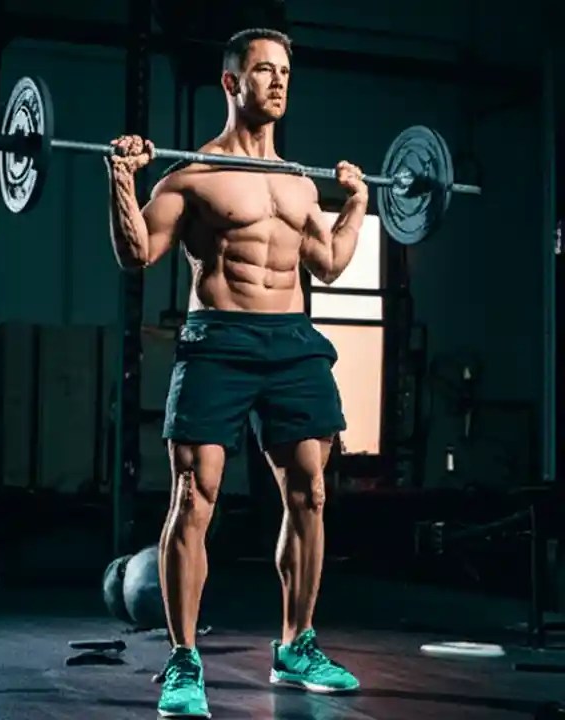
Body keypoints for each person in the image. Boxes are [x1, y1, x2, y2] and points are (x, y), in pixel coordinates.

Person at [106, 28, 364, 717]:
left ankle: (296, 645)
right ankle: (184, 662)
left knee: (309, 493)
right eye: (263, 71)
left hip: (294, 342)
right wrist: (121, 181)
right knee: (195, 495)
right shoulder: (190, 175)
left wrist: (360, 206)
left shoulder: (298, 181)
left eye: (284, 72)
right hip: (217, 338)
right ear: (231, 83)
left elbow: (329, 265)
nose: (277, 82)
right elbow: (139, 254)